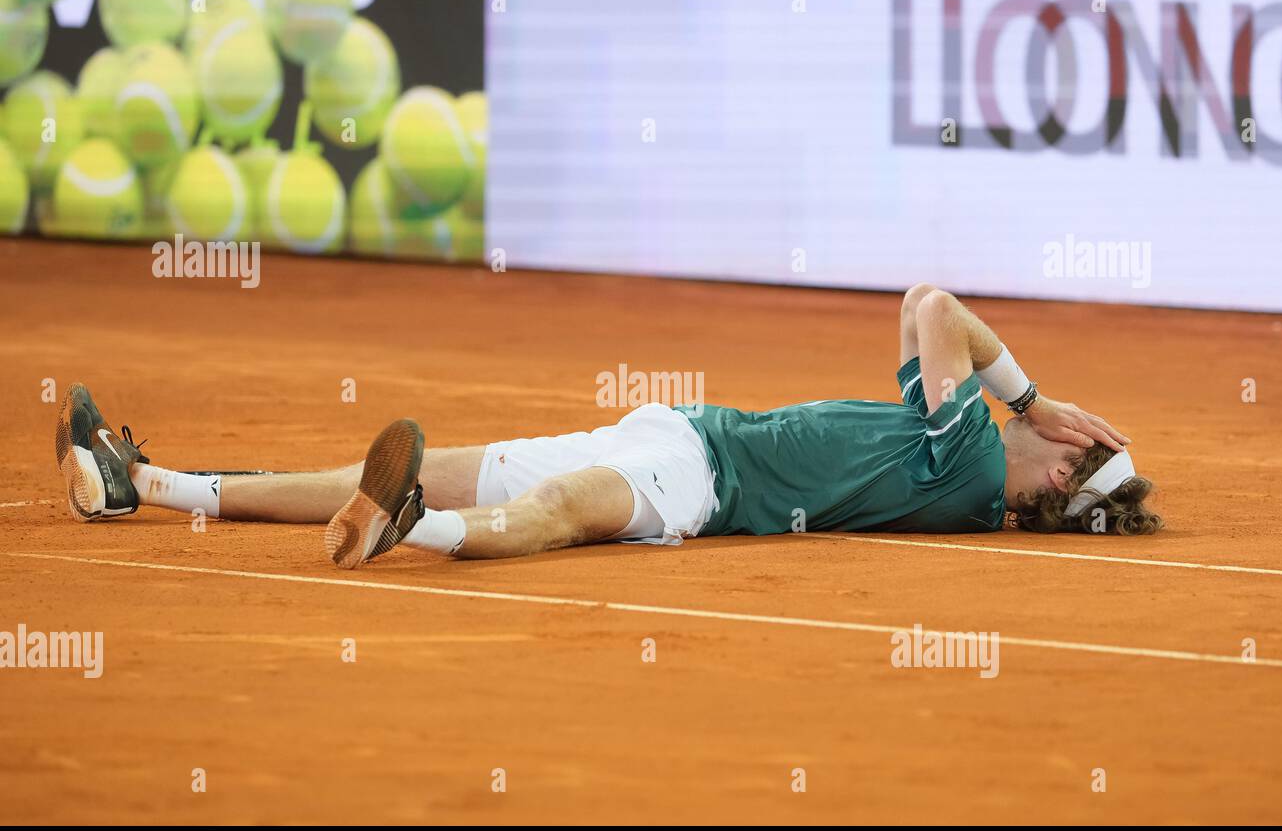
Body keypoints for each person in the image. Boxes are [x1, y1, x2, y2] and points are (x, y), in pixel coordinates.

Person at [54, 284, 1162, 569]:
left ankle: (414, 527)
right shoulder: (967, 487)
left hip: (701, 482)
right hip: (677, 434)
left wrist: (1031, 399)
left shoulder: (969, 441)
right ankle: (142, 485)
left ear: (1067, 456)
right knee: (436, 469)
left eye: (1078, 437)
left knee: (567, 510)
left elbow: (930, 302)